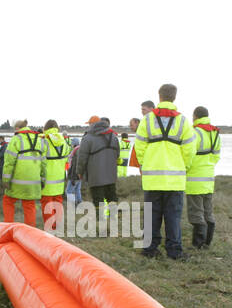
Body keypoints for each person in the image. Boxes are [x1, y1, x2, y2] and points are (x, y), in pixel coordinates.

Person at [134, 84, 195, 260]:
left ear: (159, 97)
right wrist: (183, 166)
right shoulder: (183, 121)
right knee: (173, 217)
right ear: (174, 97)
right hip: (175, 178)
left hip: (152, 178)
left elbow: (139, 146)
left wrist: (146, 164)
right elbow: (190, 149)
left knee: (151, 215)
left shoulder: (146, 120)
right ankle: (174, 251)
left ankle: (149, 249)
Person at [186, 106, 221, 249]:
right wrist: (207, 166)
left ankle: (198, 244)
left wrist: (187, 169)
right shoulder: (215, 133)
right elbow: (216, 156)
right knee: (208, 212)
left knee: (196, 213)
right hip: (208, 178)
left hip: (194, 179)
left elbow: (188, 155)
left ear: (195, 116)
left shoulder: (195, 133)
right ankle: (207, 242)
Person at [74, 115, 121, 223]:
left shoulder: (88, 138)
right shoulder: (113, 136)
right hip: (111, 175)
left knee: (98, 200)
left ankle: (101, 223)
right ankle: (113, 221)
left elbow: (82, 158)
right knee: (112, 198)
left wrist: (79, 172)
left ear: (92, 124)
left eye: (89, 124)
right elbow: (117, 154)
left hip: (96, 176)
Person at [2, 120, 45, 225]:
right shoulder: (39, 140)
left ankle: (8, 227)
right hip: (34, 182)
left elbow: (9, 162)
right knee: (29, 205)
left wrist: (6, 180)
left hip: (17, 181)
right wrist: (43, 179)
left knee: (8, 201)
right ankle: (29, 232)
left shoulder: (16, 139)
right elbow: (44, 163)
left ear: (17, 128)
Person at [40, 119, 69, 231]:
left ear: (45, 128)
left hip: (47, 179)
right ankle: (58, 226)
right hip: (60, 180)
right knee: (58, 203)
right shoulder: (64, 141)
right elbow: (66, 158)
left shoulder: (44, 141)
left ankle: (50, 228)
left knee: (47, 204)